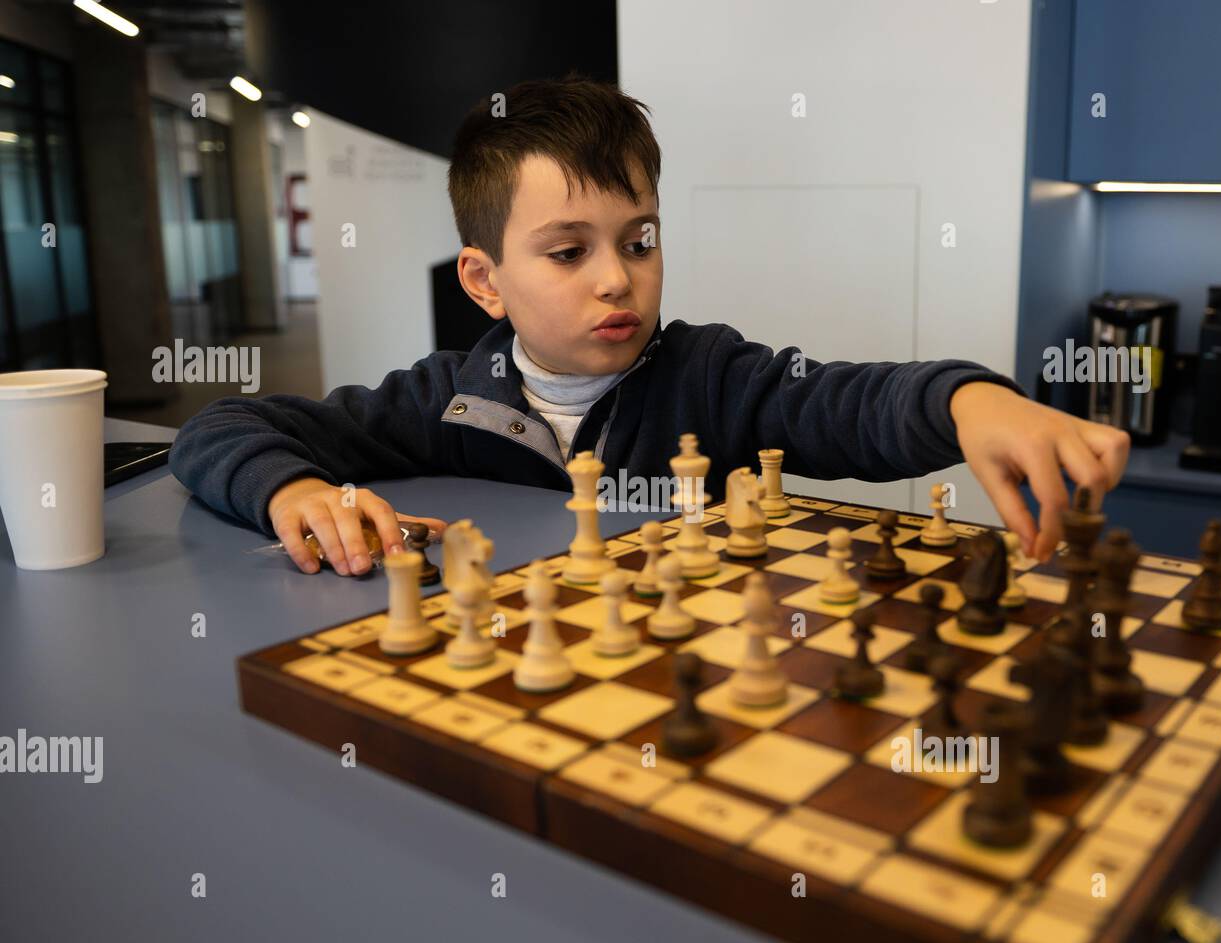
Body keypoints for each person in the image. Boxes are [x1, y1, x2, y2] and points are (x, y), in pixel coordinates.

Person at [170, 75, 1129, 577]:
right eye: (567, 251)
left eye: (639, 239)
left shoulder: (713, 376)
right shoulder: (443, 397)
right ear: (484, 281)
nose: (617, 278)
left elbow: (850, 402)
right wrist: (290, 491)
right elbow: (218, 430)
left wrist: (968, 400)